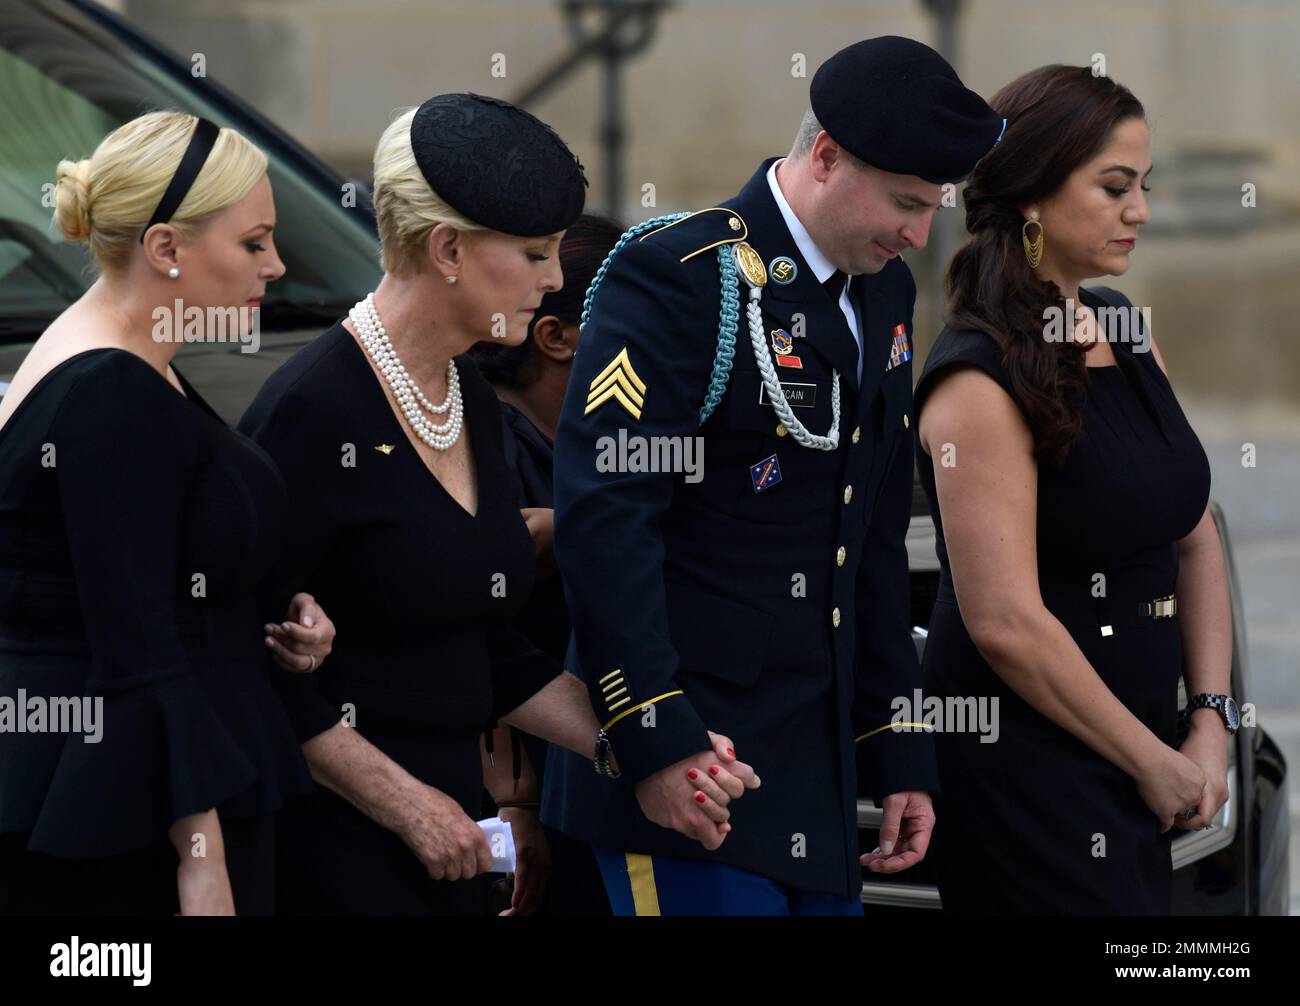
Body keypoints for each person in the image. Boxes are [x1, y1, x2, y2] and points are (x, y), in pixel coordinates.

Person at [239, 94, 755, 916]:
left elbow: (483, 649)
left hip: (452, 838)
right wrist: (404, 804)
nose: (554, 281)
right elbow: (247, 661)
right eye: (534, 254)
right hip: (335, 845)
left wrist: (656, 745)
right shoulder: (310, 409)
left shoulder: (469, 396)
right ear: (447, 249)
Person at [542, 37, 1005, 915]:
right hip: (692, 757)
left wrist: (898, 744)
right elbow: (606, 520)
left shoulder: (884, 292)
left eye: (933, 207)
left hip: (812, 766)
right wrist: (654, 738)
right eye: (906, 203)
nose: (918, 234)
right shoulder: (682, 275)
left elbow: (863, 533)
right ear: (825, 156)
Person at [912, 65, 1232, 914]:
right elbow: (1005, 623)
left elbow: (1194, 531)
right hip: (1030, 764)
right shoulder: (974, 381)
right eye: (1115, 186)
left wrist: (1209, 719)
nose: (1142, 212)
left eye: (1144, 186)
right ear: (1031, 197)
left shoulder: (1124, 330)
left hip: (1144, 752)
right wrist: (1151, 760)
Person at [0, 111, 335, 915]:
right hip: (129, 817)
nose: (277, 265)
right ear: (164, 249)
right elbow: (134, 643)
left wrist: (272, 613)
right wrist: (202, 859)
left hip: (146, 782)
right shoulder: (109, 389)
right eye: (253, 244)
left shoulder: (117, 357)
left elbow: (156, 563)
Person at [471, 213, 624, 914]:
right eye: (635, 319)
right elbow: (476, 615)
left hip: (591, 779)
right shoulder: (485, 441)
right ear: (556, 338)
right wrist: (517, 801)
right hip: (525, 799)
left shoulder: (601, 446)